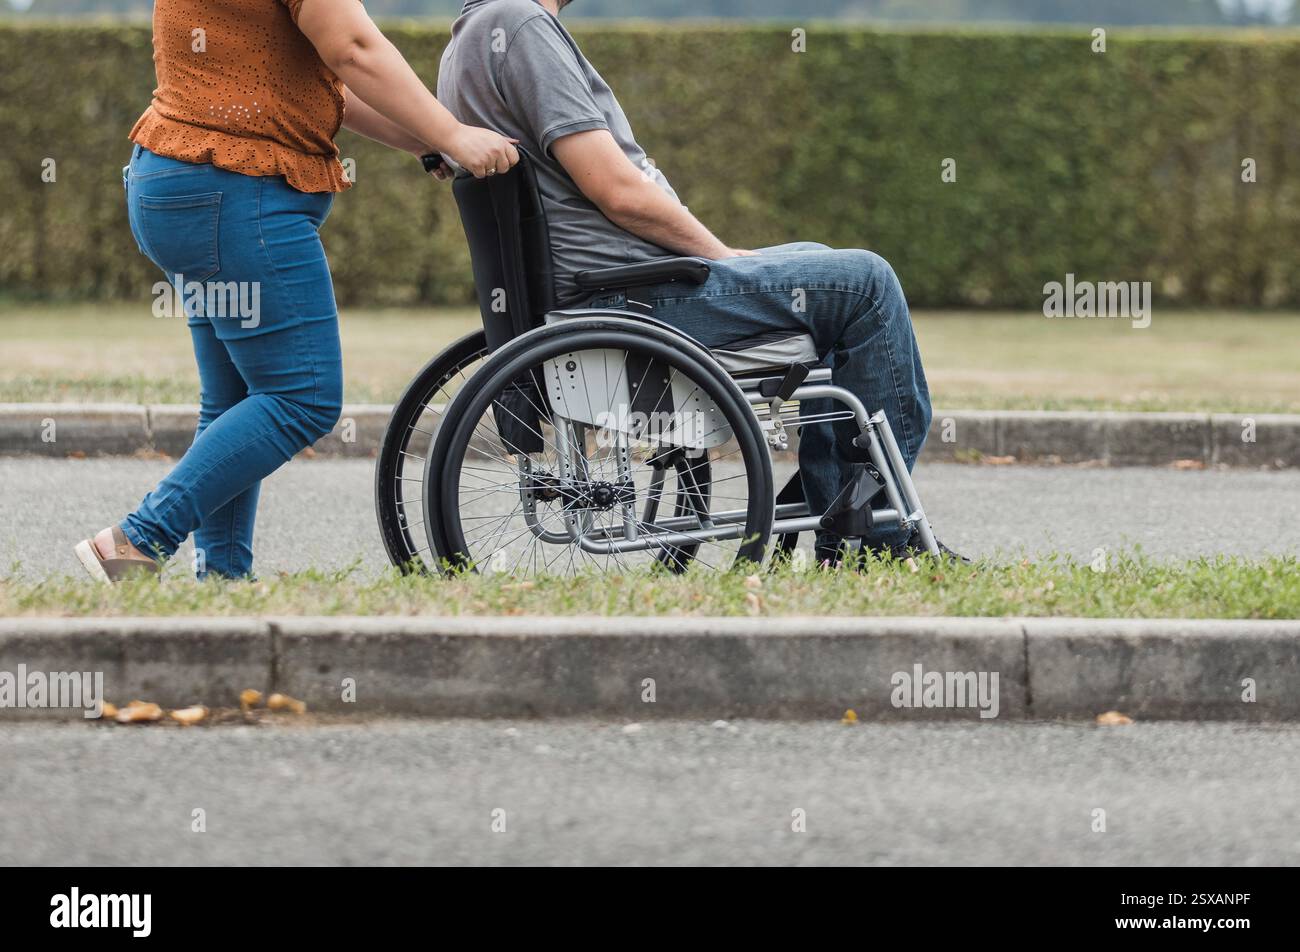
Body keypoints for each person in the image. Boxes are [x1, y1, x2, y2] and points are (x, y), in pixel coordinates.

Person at [439, 0, 959, 561]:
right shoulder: (521, 25)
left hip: (606, 286)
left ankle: (839, 518)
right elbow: (617, 190)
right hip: (629, 294)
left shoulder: (468, 36)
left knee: (819, 260)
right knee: (866, 283)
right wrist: (720, 257)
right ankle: (878, 542)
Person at [75, 0, 519, 582]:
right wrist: (455, 133)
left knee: (237, 402)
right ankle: (138, 539)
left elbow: (319, 77)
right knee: (303, 395)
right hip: (235, 193)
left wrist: (425, 140)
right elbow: (353, 50)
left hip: (184, 182)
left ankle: (223, 581)